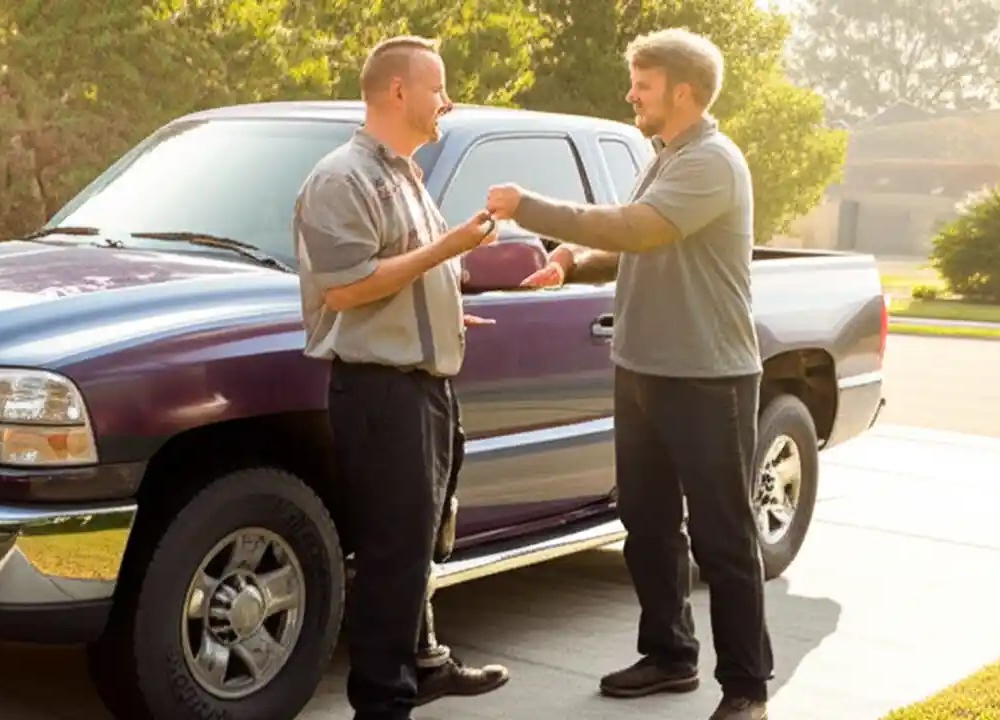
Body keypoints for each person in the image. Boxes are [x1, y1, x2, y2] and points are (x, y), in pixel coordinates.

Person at [484, 27, 774, 720]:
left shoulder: (712, 162)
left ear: (684, 91)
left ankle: (746, 690)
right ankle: (670, 656)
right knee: (645, 523)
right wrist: (571, 263)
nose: (631, 95)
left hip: (708, 378)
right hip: (641, 368)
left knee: (723, 537)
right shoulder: (666, 155)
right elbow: (640, 247)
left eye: (642, 86)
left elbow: (637, 229)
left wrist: (526, 206)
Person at [293, 34, 510, 720]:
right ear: (397, 92)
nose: (447, 100)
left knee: (423, 536)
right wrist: (449, 248)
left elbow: (400, 279)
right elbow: (346, 290)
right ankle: (382, 702)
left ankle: (424, 662)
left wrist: (442, 315)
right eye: (437, 86)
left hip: (426, 386)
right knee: (392, 550)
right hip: (382, 396)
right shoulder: (341, 178)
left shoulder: (407, 174)